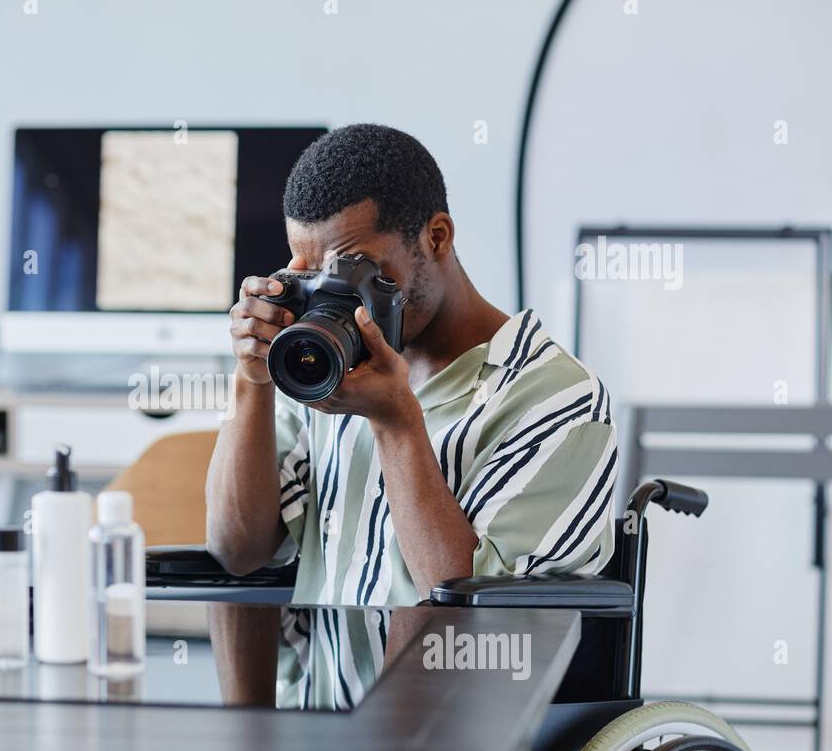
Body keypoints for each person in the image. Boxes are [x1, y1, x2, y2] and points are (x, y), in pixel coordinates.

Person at [205, 124, 617, 709]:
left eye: (356, 270)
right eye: (313, 277)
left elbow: (463, 608)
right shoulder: (320, 367)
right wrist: (253, 381)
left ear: (437, 237)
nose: (334, 302)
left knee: (423, 623)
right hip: (316, 732)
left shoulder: (556, 399)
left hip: (455, 750)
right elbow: (236, 551)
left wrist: (397, 422)